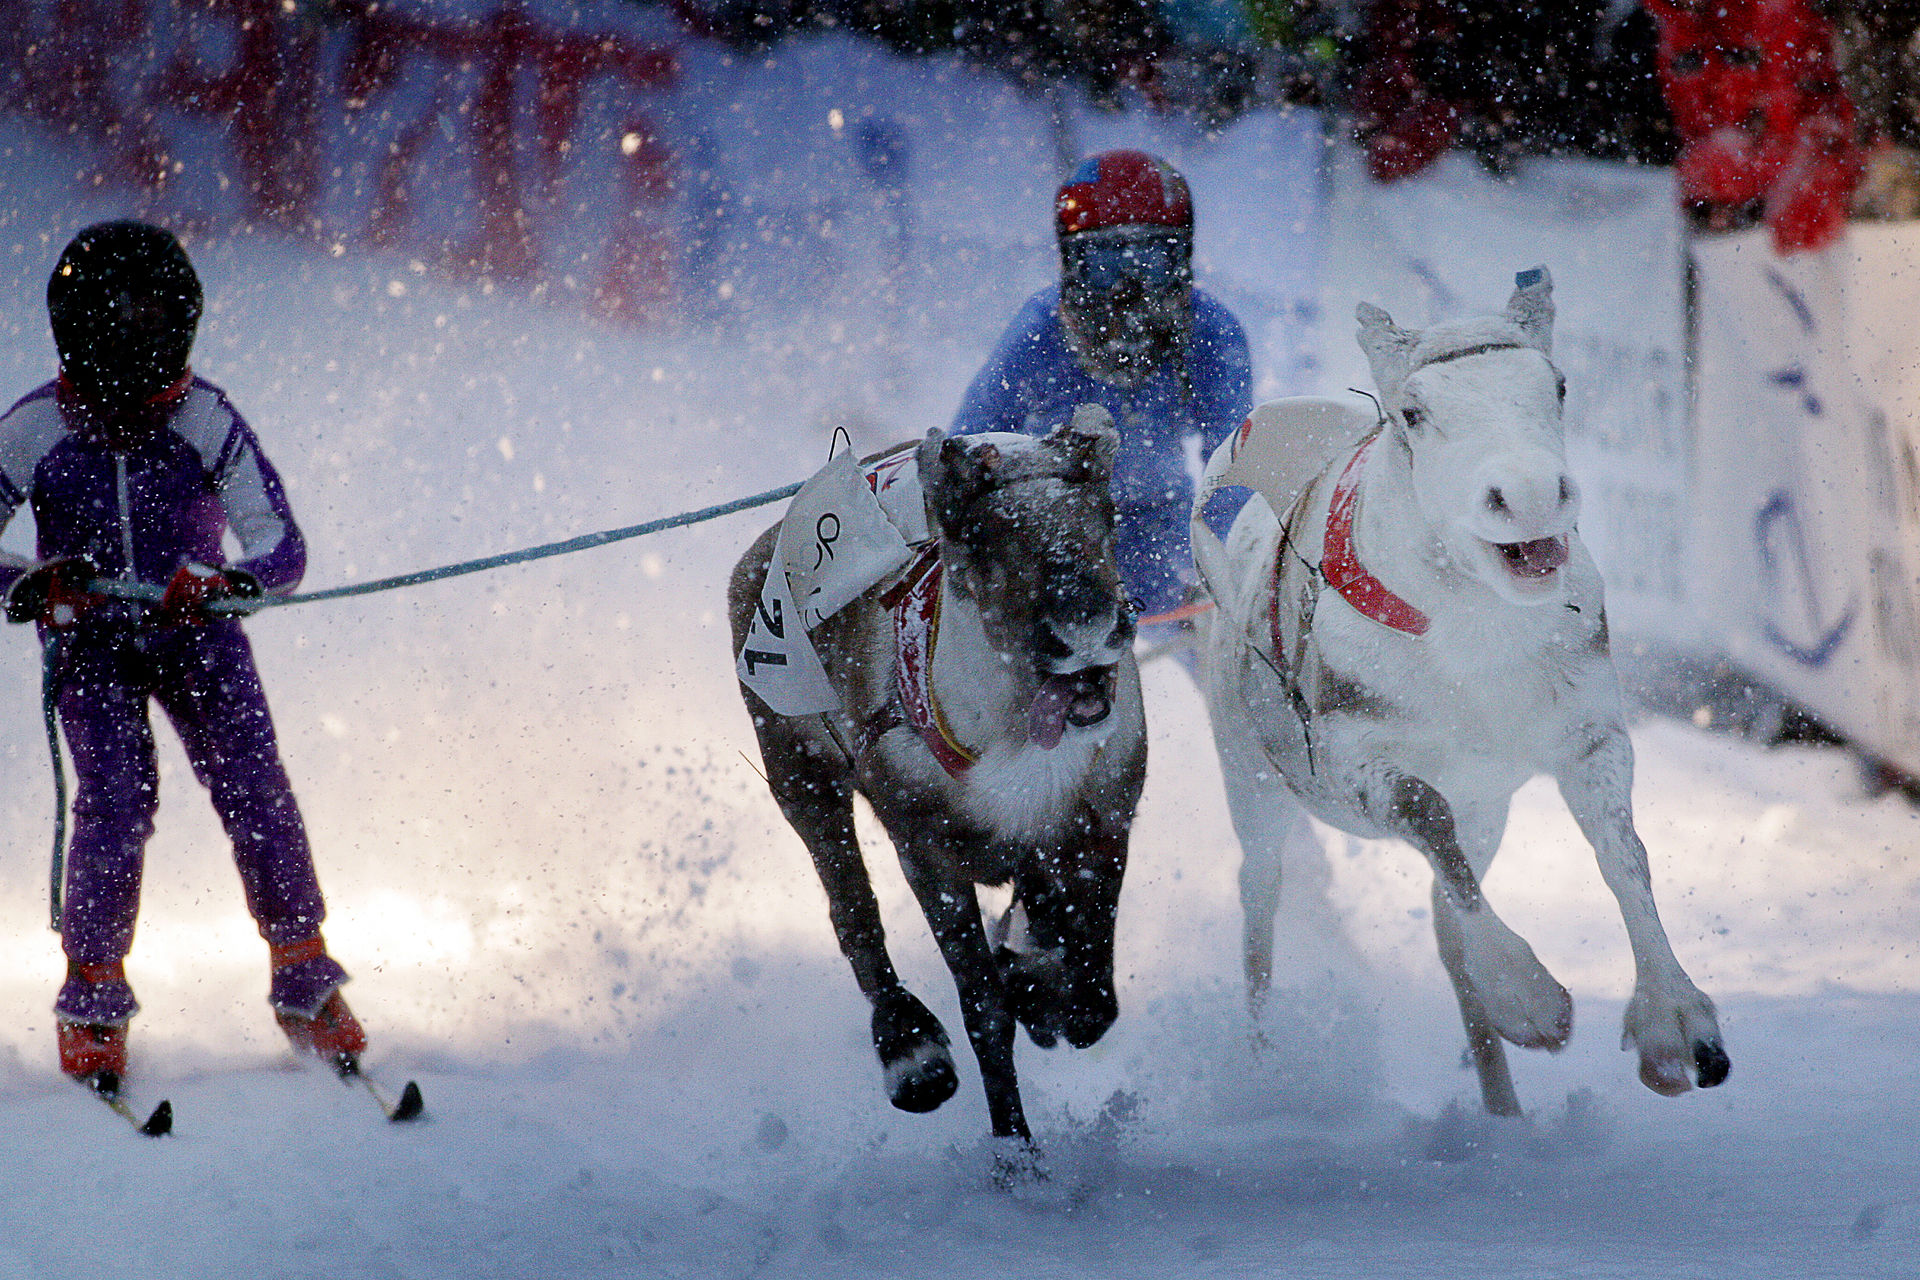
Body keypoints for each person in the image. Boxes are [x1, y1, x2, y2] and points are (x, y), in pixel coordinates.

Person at [0, 220, 365, 1085]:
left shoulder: (205, 417)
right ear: (82, 326)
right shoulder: (34, 429)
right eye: (125, 317)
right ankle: (92, 991)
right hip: (90, 646)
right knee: (117, 805)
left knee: (255, 789)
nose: (146, 336)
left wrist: (221, 581)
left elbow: (281, 549)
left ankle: (304, 973)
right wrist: (32, 581)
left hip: (199, 641)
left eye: (162, 318)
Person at [950, 148, 1251, 638]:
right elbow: (970, 446)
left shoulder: (1210, 333)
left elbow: (1235, 461)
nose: (1127, 287)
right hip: (1049, 531)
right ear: (1071, 263)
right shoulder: (1039, 334)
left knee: (1224, 645)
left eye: (1150, 259)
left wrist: (1220, 564)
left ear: (1182, 260)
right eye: (1104, 261)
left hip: (1160, 531)